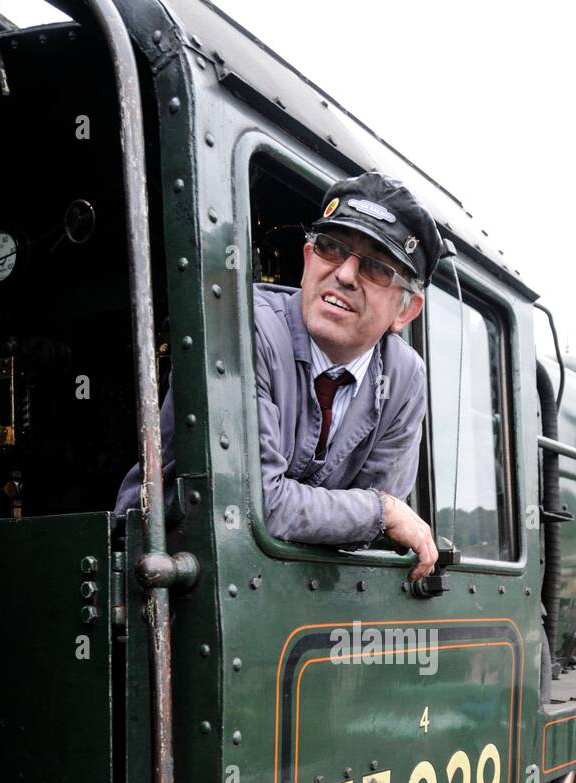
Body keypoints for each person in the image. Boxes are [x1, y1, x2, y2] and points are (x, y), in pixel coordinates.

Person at [115, 172, 444, 580]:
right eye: (331, 248)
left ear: (405, 311)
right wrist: (381, 512)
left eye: (375, 268)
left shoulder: (404, 379)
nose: (343, 274)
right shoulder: (238, 327)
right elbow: (256, 503)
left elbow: (371, 535)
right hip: (163, 580)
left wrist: (374, 514)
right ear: (308, 260)